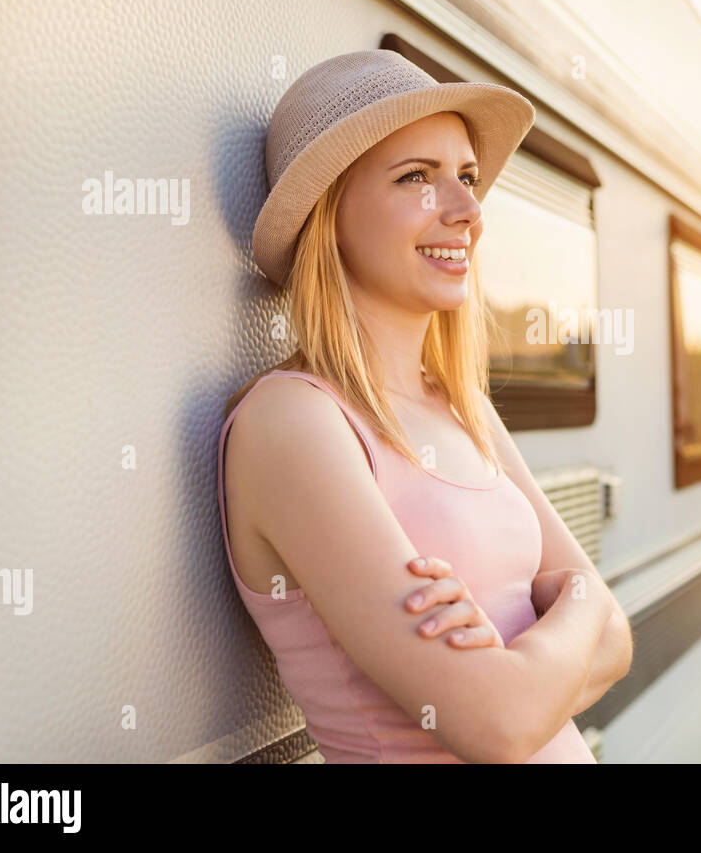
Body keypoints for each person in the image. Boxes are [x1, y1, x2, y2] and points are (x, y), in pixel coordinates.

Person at [216, 49, 632, 763]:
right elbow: (494, 725)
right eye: (417, 178)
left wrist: (536, 652)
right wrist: (581, 604)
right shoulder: (292, 421)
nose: (468, 211)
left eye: (466, 177)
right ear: (330, 213)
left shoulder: (466, 410)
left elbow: (620, 642)